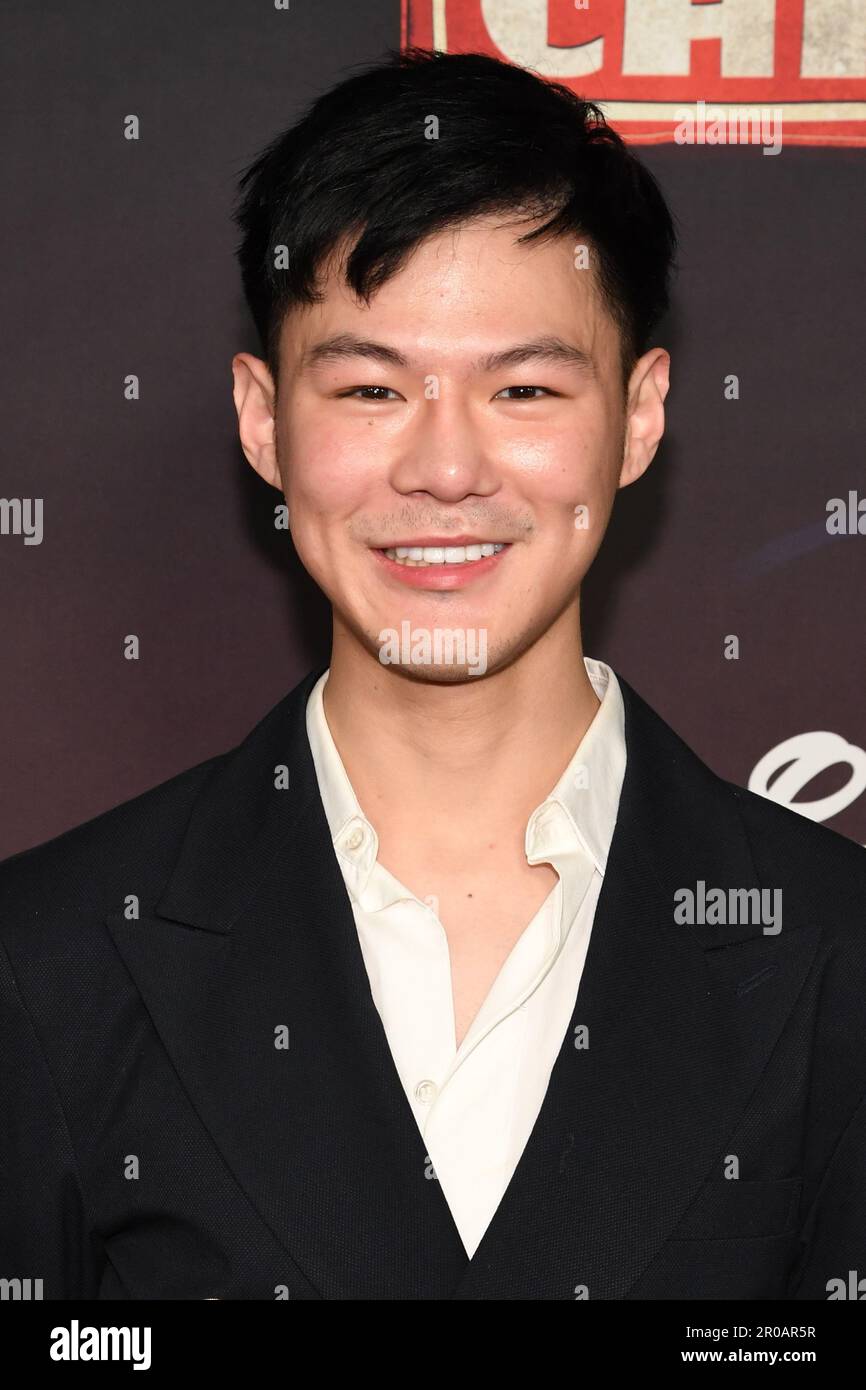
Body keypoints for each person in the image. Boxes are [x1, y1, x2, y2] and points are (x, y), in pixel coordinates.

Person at [1, 47, 864, 1302]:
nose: (445, 467)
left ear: (637, 413)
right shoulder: (49, 961)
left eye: (520, 386)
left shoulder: (836, 955)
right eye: (369, 386)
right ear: (263, 420)